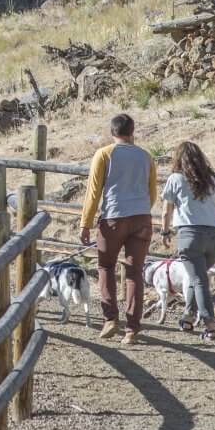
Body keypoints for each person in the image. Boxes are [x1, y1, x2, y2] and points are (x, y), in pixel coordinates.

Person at [79, 113, 157, 344]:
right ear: (133, 132)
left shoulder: (104, 154)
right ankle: (132, 328)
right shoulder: (146, 156)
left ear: (112, 132)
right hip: (142, 217)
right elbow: (152, 192)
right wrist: (141, 210)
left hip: (113, 217)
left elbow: (93, 193)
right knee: (135, 273)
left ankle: (110, 318)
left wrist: (86, 222)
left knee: (106, 266)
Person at [160, 141, 215, 340]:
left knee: (198, 279)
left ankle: (209, 324)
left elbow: (166, 210)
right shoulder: (213, 180)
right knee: (196, 276)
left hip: (190, 235)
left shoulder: (175, 179)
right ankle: (188, 317)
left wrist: (164, 232)